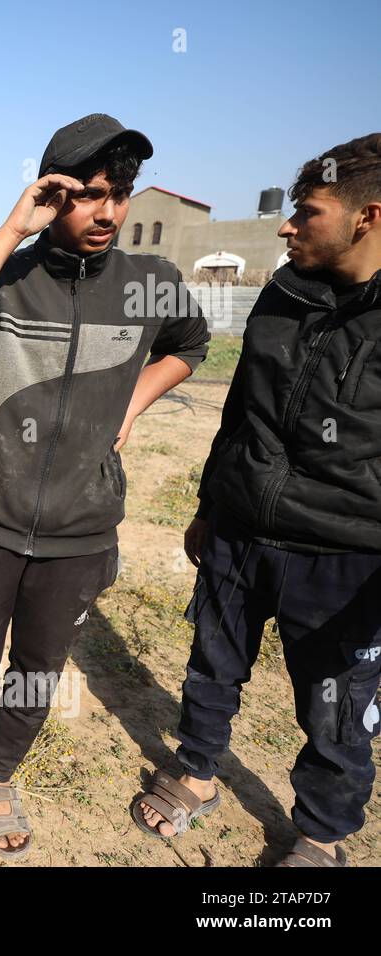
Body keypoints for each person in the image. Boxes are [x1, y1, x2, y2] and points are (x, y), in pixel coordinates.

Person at [0, 114, 210, 858]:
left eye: (120, 194)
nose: (107, 212)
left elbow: (191, 345)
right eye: (88, 195)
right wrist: (12, 230)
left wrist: (130, 404)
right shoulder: (9, 277)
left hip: (81, 531)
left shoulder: (148, 286)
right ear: (51, 195)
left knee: (37, 674)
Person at [134, 133, 381, 868]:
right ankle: (199, 772)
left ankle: (320, 833)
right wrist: (211, 504)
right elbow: (240, 411)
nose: (286, 225)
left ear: (368, 216)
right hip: (242, 529)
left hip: (348, 551)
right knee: (212, 662)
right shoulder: (282, 292)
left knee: (335, 705)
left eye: (307, 212)